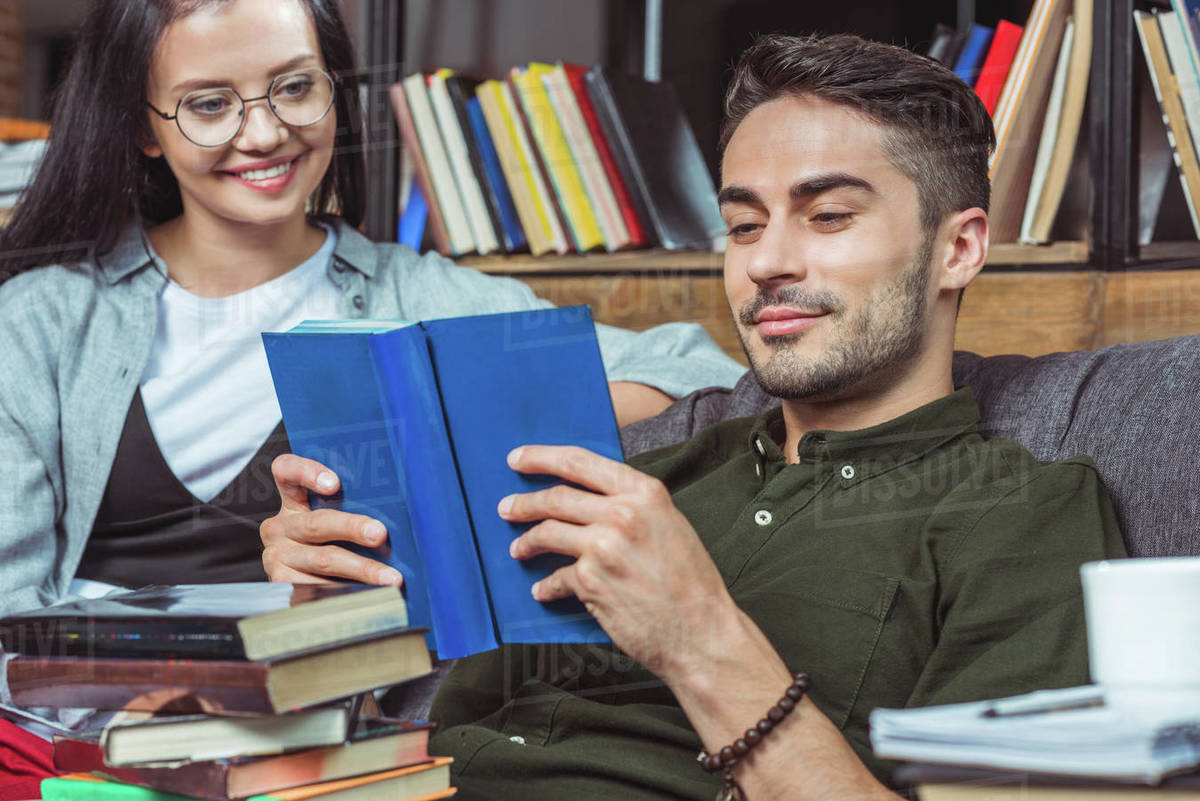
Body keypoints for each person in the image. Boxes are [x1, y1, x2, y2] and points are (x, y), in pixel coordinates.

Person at [264, 32, 1126, 800]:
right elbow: (415, 736)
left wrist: (698, 637)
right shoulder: (644, 476)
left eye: (828, 216)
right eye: (743, 225)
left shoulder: (1022, 512)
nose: (768, 261)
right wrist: (324, 622)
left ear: (959, 248)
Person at [0, 0, 745, 622]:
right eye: (208, 104)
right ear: (144, 128)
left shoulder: (418, 297)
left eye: (294, 87)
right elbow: (9, 608)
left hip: (331, 721)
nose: (262, 134)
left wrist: (468, 418)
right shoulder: (41, 322)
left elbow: (697, 367)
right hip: (80, 725)